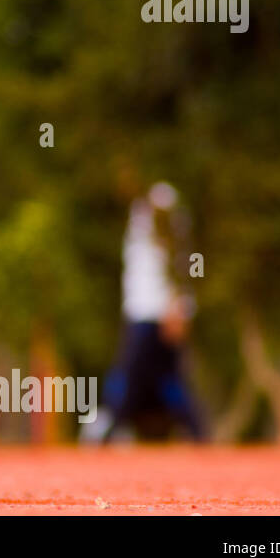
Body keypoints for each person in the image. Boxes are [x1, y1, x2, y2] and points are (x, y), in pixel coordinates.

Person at [99, 181, 206, 442]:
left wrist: (180, 310)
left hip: (155, 316)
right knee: (157, 378)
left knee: (137, 376)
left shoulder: (172, 229)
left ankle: (105, 429)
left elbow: (181, 273)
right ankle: (197, 433)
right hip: (140, 312)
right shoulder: (140, 220)